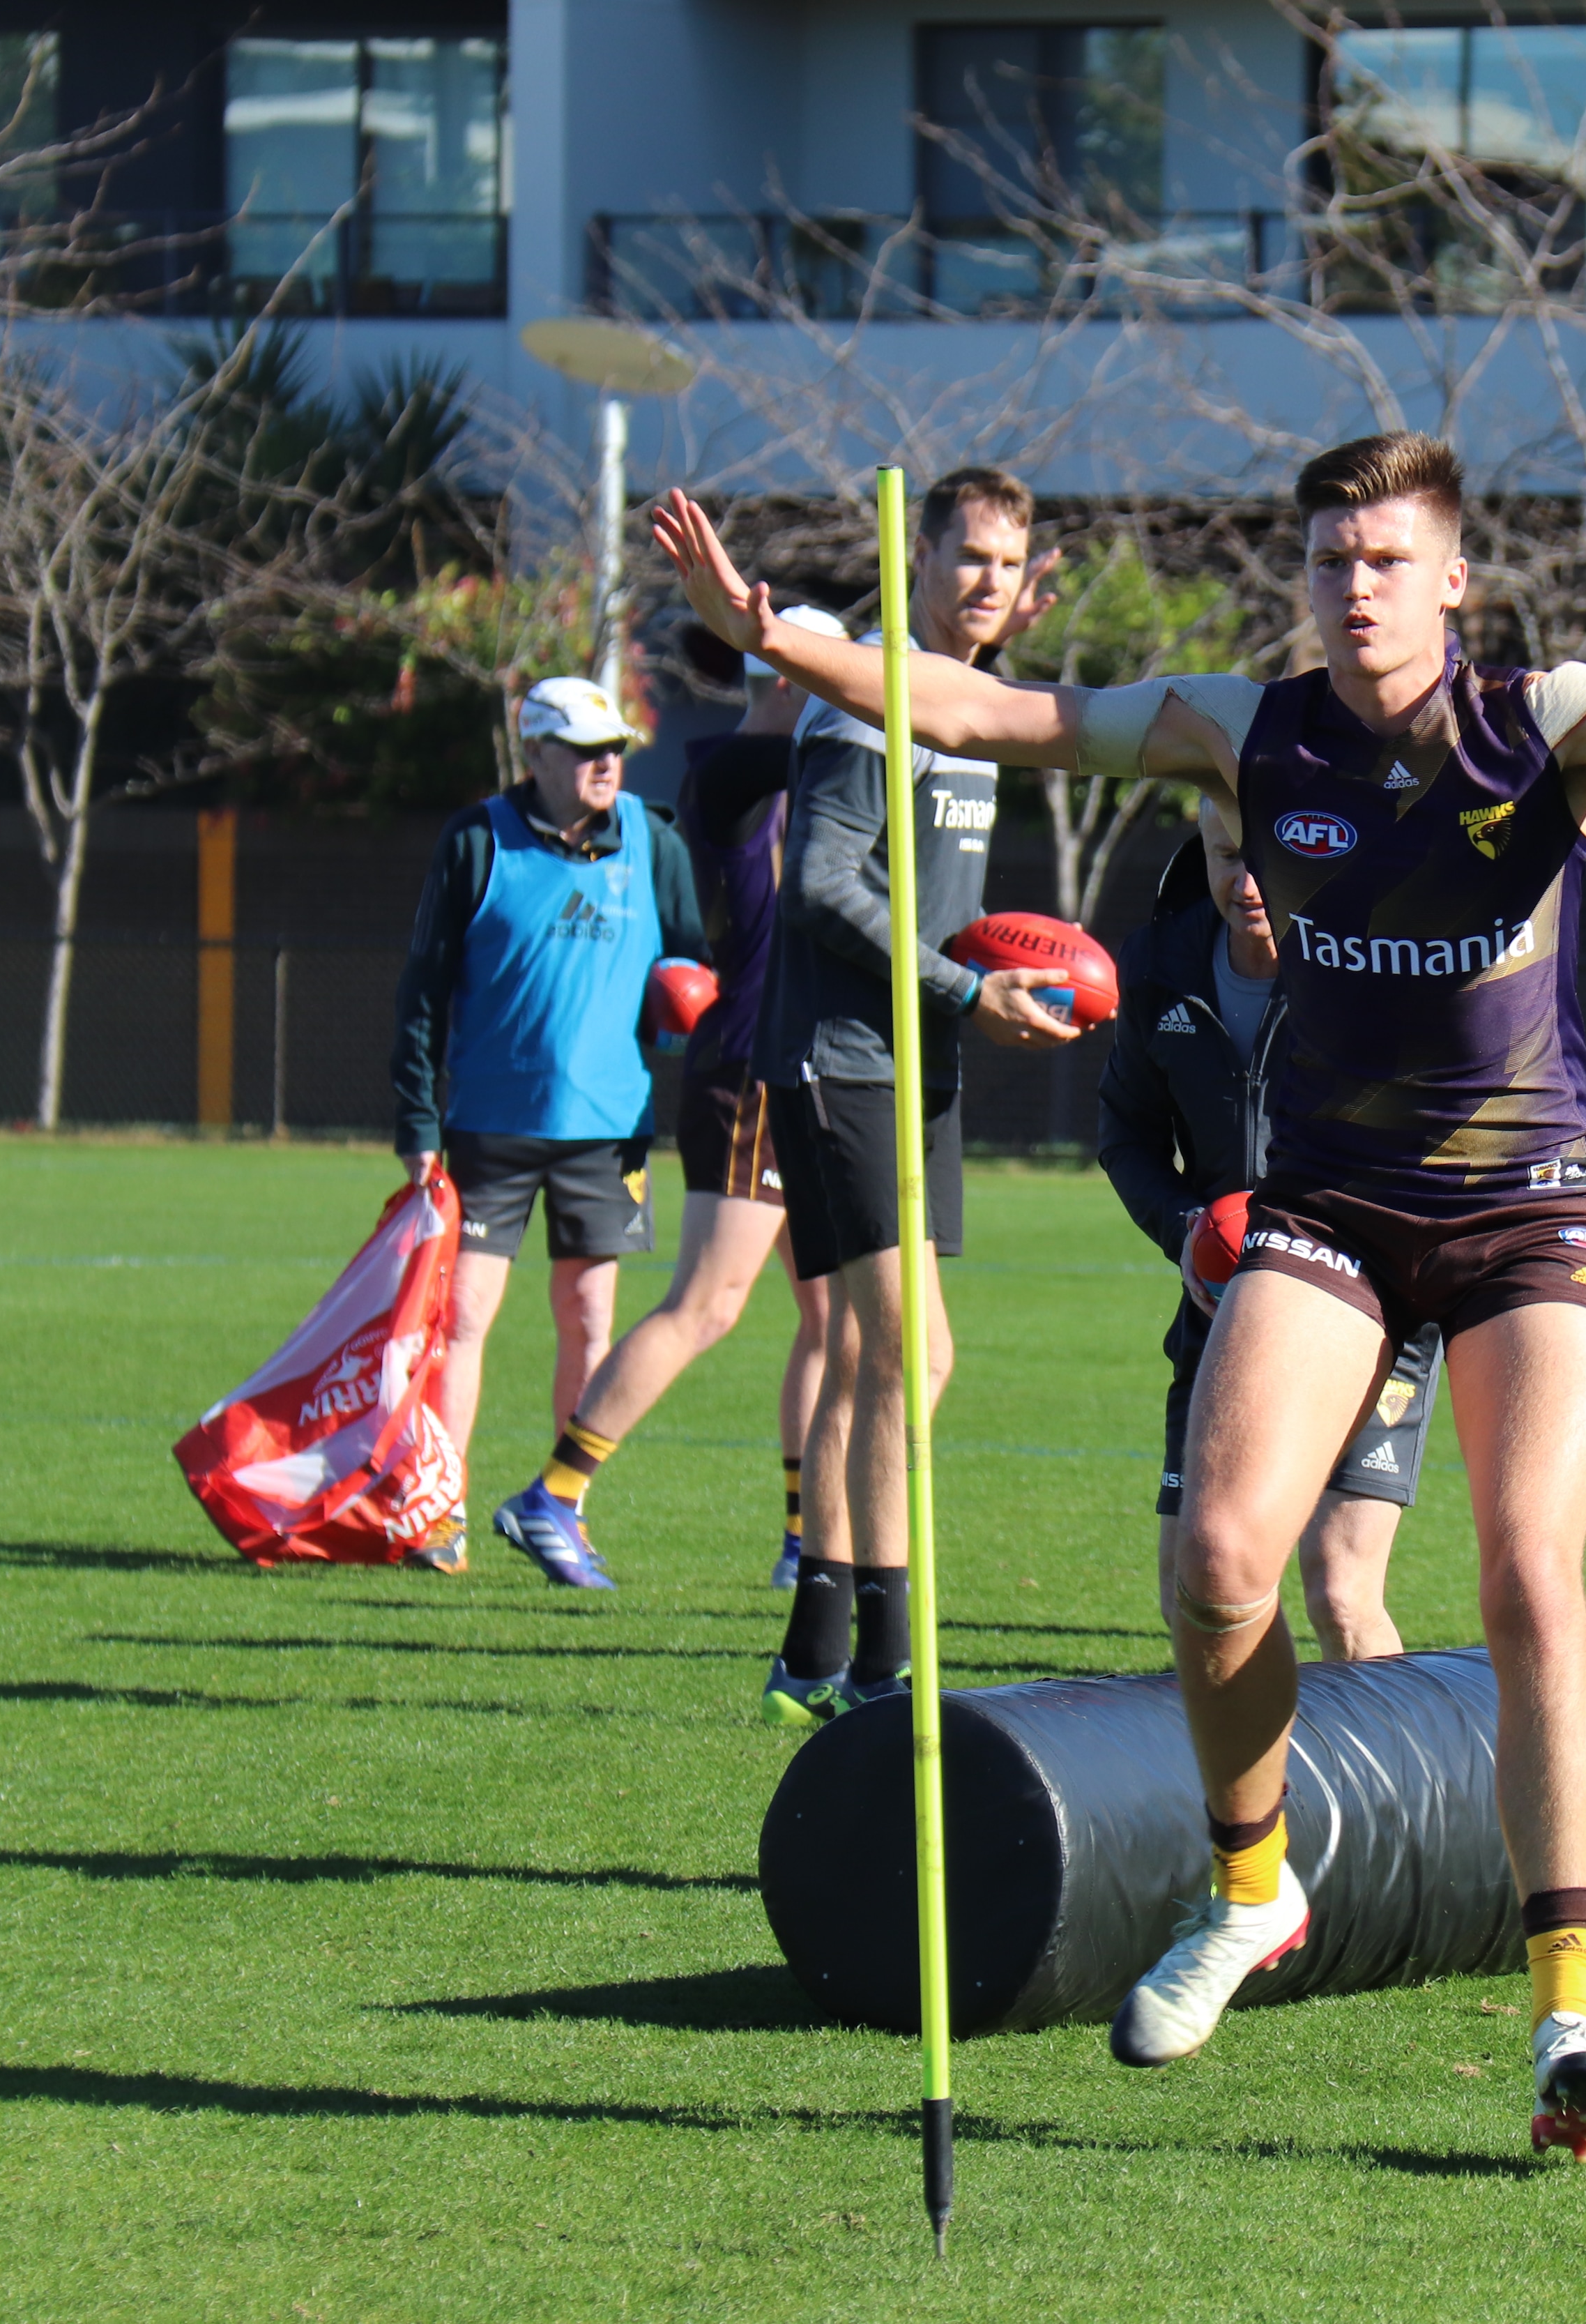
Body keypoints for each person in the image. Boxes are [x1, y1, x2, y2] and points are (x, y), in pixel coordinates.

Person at [655, 430, 1586, 2159]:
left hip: (1526, 1212)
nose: (1354, 586)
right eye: (1327, 561)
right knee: (1221, 1558)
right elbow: (985, 714)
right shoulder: (1246, 730)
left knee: (1530, 1574)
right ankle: (1256, 1888)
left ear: (1454, 577)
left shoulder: (1551, 721)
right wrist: (768, 628)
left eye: (1387, 559)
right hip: (1330, 1204)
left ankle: (1568, 2007)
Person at [721, 467, 1081, 1727]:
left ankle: (814, 1652)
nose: (986, 581)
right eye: (966, 556)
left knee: (879, 1355)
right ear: (915, 556)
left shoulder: (963, 693)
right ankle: (882, 1658)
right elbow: (820, 879)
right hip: (846, 1053)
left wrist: (978, 985)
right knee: (908, 1352)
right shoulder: (869, 697)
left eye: (1005, 562)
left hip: (910, 1055)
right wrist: (959, 987)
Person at [484, 638, 839, 1604]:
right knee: (707, 1304)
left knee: (830, 1315)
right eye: (816, 679)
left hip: (809, 1071)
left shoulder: (810, 779)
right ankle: (555, 1493)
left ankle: (807, 1538)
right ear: (782, 689)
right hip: (754, 1075)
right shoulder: (732, 775)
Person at [1101, 808, 1442, 1664]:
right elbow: (1126, 1133)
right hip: (1221, 1307)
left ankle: (1388, 1793)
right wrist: (1185, 1230)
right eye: (1226, 858)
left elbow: (1434, 1138)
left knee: (1339, 1587)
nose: (1246, 884)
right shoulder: (1159, 965)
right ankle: (1252, 1795)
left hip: (1369, 1302)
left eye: (1270, 862)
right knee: (1192, 1585)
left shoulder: (1377, 965)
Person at [390, 676, 710, 1587]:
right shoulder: (476, 838)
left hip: (608, 1131)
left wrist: (687, 1008)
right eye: (584, 750)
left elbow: (693, 967)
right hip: (489, 1123)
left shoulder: (654, 840)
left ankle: (565, 1509)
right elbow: (421, 991)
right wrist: (416, 1117)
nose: (606, 763)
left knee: (590, 1318)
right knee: (463, 1320)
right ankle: (437, 1505)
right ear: (535, 755)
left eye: (615, 748)